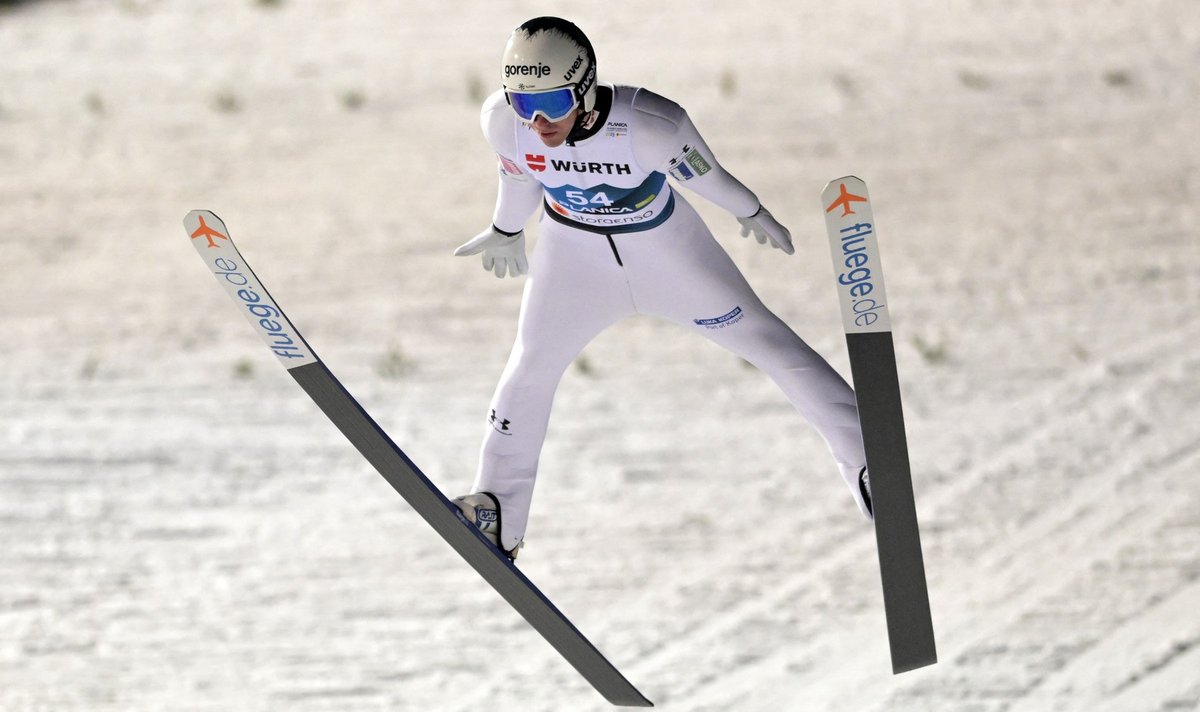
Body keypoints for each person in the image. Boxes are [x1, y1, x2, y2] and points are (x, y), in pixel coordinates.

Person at [453, 16, 871, 560]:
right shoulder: (503, 123)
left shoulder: (650, 123)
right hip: (572, 264)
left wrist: (753, 212)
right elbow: (518, 177)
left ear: (583, 85)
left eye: (552, 104)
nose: (536, 121)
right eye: (522, 102)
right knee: (528, 370)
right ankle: (497, 510)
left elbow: (709, 176)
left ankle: (868, 460)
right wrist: (507, 230)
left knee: (771, 347)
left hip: (668, 257)